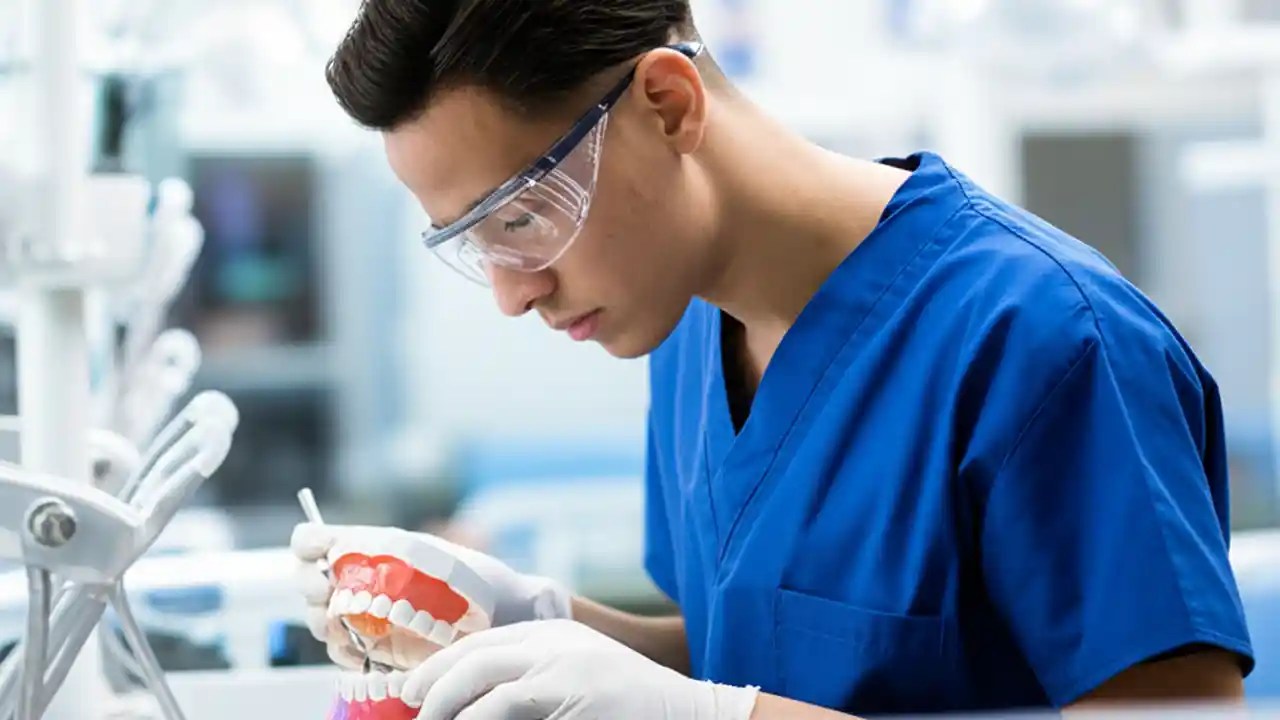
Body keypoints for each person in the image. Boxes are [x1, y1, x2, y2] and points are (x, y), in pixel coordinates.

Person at [291, 1, 1254, 717]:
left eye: (526, 218)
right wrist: (530, 627)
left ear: (668, 105)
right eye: (476, 246)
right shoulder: (684, 336)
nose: (514, 291)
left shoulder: (1043, 343)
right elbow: (751, 651)